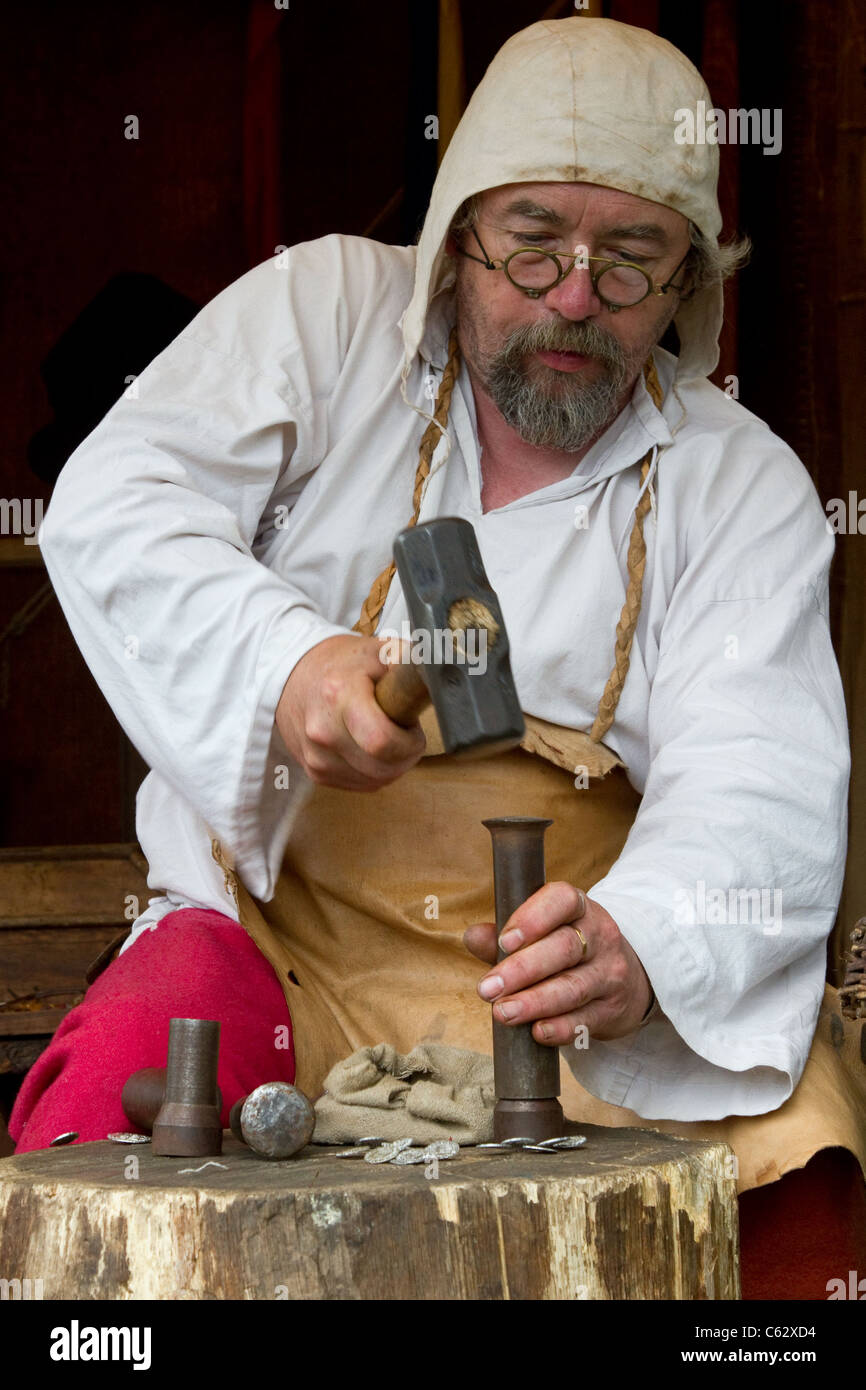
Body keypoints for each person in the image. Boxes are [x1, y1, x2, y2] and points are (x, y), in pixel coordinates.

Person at [11, 17, 866, 1298]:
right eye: (530, 243)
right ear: (458, 235)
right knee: (103, 1156)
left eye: (630, 257)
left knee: (799, 1185)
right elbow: (117, 498)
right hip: (279, 937)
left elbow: (761, 769)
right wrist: (287, 665)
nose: (573, 296)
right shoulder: (324, 315)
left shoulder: (739, 484)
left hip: (558, 989)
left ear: (691, 280)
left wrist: (643, 939)